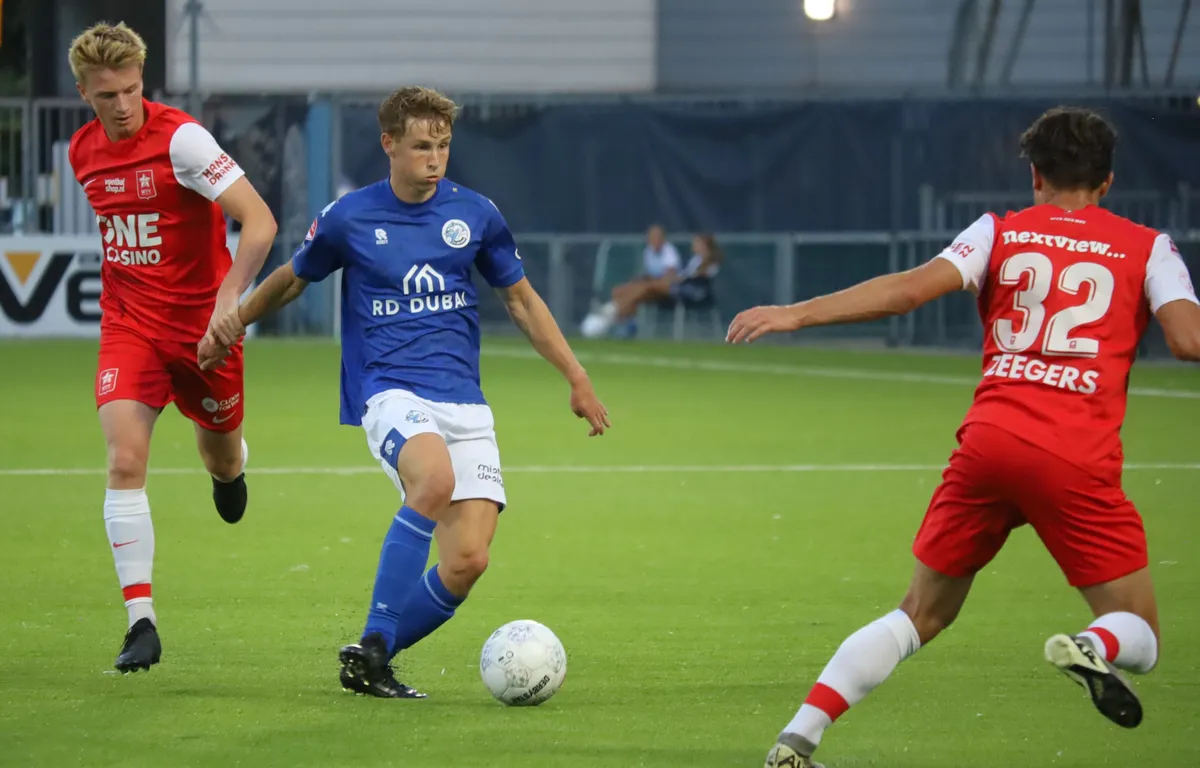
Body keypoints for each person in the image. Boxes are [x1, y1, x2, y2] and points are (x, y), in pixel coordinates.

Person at [727, 106, 1200, 767]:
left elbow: (906, 293)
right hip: (1073, 454)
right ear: (1108, 182)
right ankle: (1098, 648)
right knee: (1140, 631)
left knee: (920, 612)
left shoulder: (997, 232)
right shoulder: (1149, 247)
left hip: (989, 441)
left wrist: (794, 312)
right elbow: (1188, 341)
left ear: (1035, 176)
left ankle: (798, 739)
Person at [198, 86, 610, 698]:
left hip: (464, 401)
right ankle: (375, 634)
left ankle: (373, 659)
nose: (435, 157)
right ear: (388, 144)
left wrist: (576, 376)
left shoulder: (476, 214)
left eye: (443, 145)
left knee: (469, 559)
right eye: (421, 146)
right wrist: (236, 321)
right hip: (388, 390)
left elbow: (520, 300)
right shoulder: (349, 217)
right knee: (433, 481)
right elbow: (291, 280)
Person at [67, 22, 278, 674]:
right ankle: (141, 623)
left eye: (132, 90)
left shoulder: (184, 139)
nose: (123, 106)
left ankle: (232, 465)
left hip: (204, 335)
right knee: (125, 459)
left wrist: (229, 303)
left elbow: (260, 221)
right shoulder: (82, 152)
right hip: (129, 326)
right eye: (108, 96)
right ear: (84, 94)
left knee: (219, 454)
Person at [580, 223, 682, 338]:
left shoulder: (669, 251)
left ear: (662, 238)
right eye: (651, 237)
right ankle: (622, 321)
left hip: (668, 289)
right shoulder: (649, 252)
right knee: (620, 290)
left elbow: (669, 278)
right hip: (651, 288)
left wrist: (649, 282)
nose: (653, 240)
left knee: (643, 288)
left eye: (656, 237)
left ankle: (613, 312)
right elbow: (648, 275)